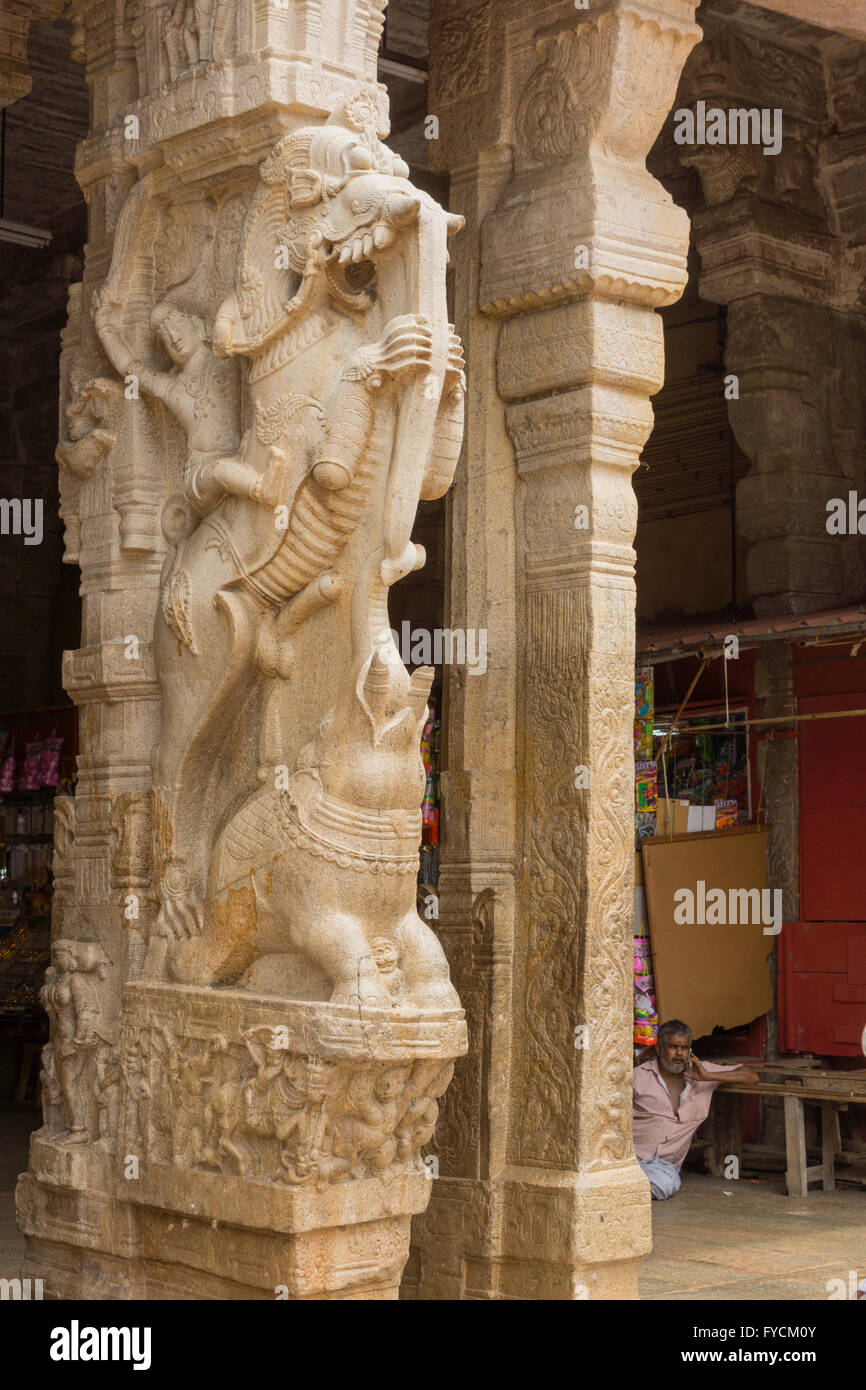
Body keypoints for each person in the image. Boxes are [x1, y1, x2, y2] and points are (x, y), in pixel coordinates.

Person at [633, 1019, 760, 1200]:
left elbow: (752, 1076)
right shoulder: (638, 1076)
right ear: (659, 1050)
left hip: (663, 1166)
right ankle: (625, 1188)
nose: (679, 1053)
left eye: (684, 1048)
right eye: (673, 1047)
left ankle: (622, 1191)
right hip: (632, 1157)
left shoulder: (702, 1072)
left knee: (665, 1186)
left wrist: (709, 1076)